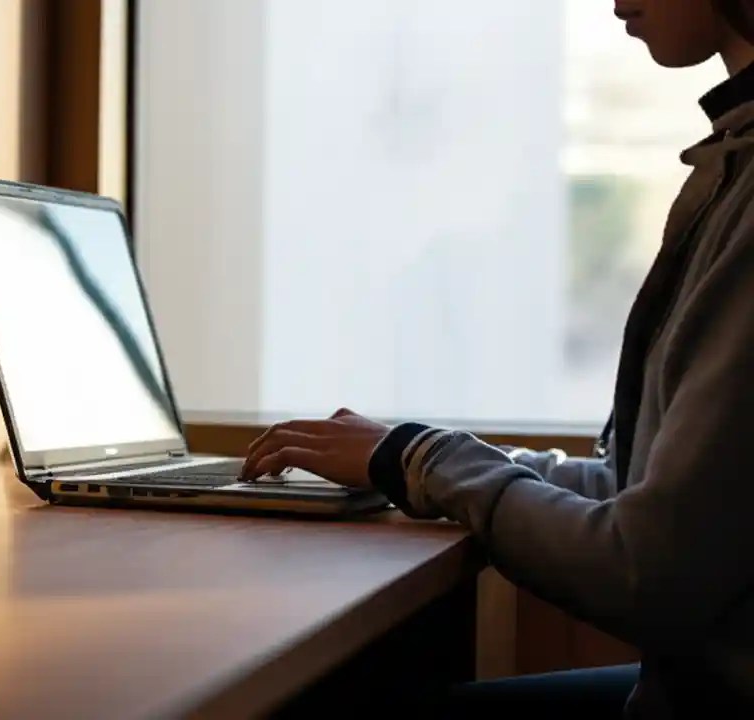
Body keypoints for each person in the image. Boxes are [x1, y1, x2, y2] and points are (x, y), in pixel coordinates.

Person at [240, 1, 754, 717]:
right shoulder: (734, 159)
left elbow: (646, 571)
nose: (611, 2)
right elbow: (644, 492)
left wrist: (421, 460)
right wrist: (411, 457)